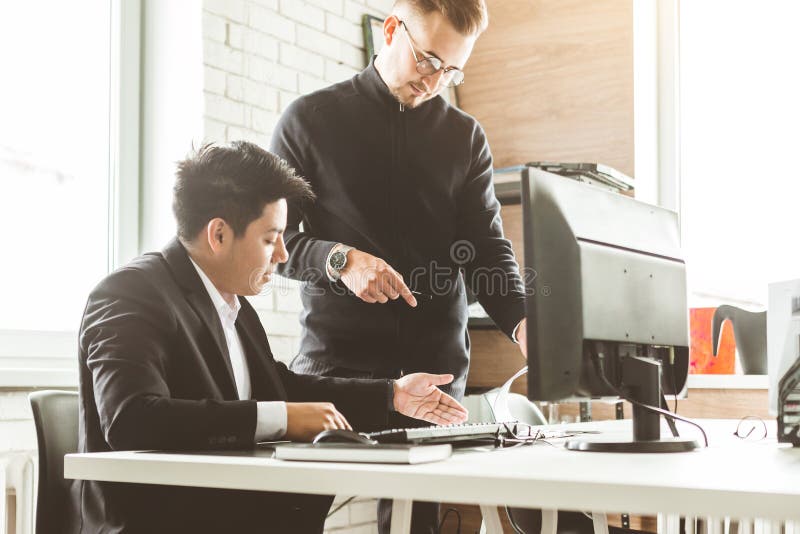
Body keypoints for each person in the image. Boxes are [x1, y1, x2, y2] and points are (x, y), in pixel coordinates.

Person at [69, 141, 468, 534]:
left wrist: (392, 394)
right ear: (219, 235)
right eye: (269, 238)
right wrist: (283, 417)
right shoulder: (129, 292)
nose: (281, 255)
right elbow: (131, 419)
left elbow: (279, 385)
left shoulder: (234, 303)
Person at [270, 1, 526, 531]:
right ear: (391, 29)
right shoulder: (308, 121)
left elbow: (486, 250)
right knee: (293, 520)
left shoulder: (464, 138)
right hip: (334, 374)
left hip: (433, 385)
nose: (435, 81)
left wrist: (525, 323)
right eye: (429, 60)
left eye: (452, 70)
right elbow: (276, 244)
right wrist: (340, 260)